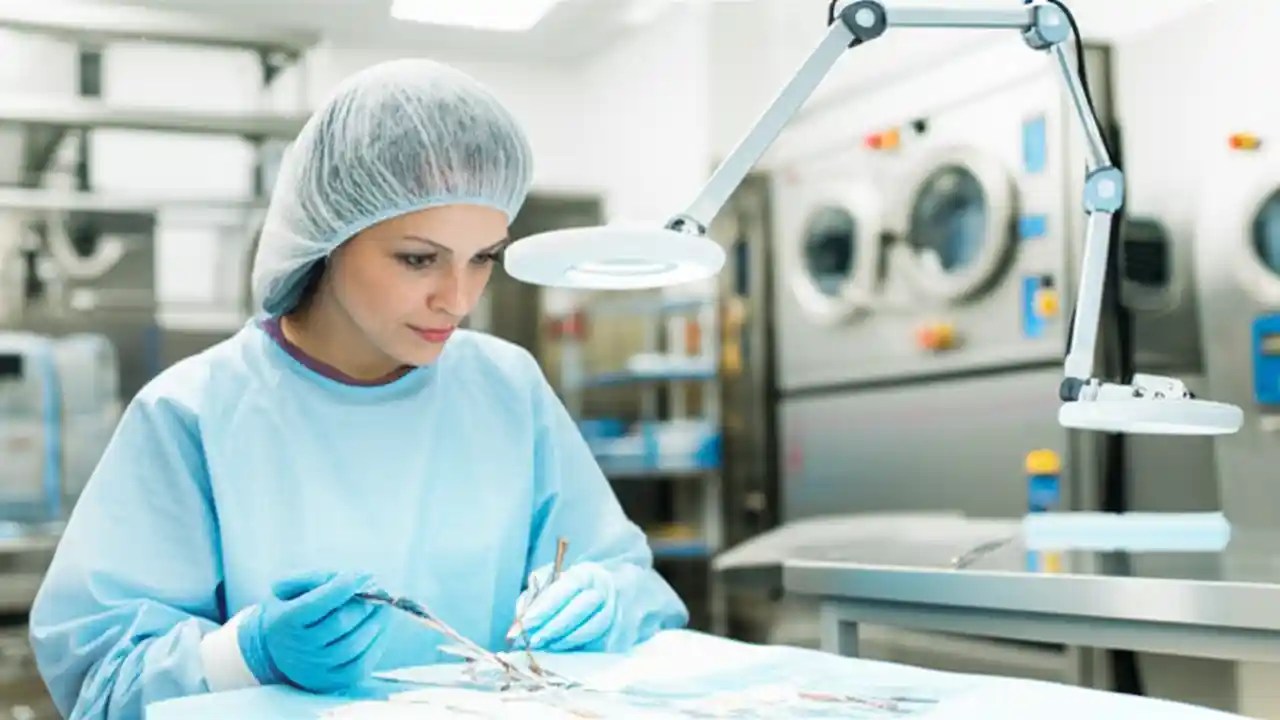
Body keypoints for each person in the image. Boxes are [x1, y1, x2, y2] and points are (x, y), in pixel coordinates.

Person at [29, 58, 688, 719]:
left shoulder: (506, 389)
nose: (457, 299)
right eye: (418, 259)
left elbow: (634, 587)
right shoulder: (193, 414)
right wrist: (246, 654)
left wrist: (607, 598)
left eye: (483, 258)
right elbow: (100, 683)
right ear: (330, 234)